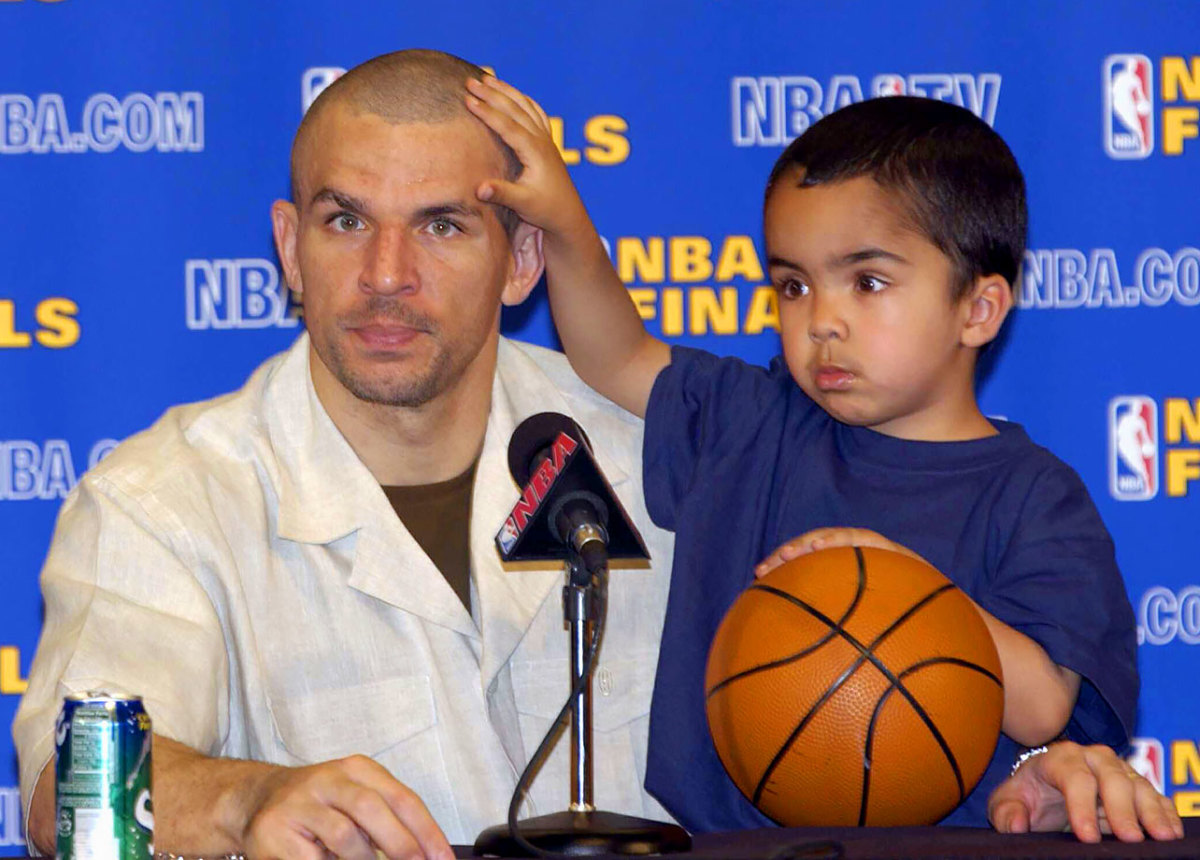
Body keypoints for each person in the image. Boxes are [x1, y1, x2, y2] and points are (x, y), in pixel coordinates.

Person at [462, 77, 1185, 842]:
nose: (822, 321)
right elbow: (616, 357)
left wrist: (905, 587)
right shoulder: (753, 421)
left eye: (868, 282)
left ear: (978, 309)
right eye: (793, 286)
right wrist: (567, 224)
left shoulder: (1035, 496)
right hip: (730, 849)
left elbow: (1042, 705)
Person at [14, 50, 678, 859]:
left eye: (441, 225)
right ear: (290, 249)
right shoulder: (162, 500)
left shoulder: (655, 457)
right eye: (346, 222)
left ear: (523, 261)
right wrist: (248, 799)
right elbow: (72, 794)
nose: (386, 276)